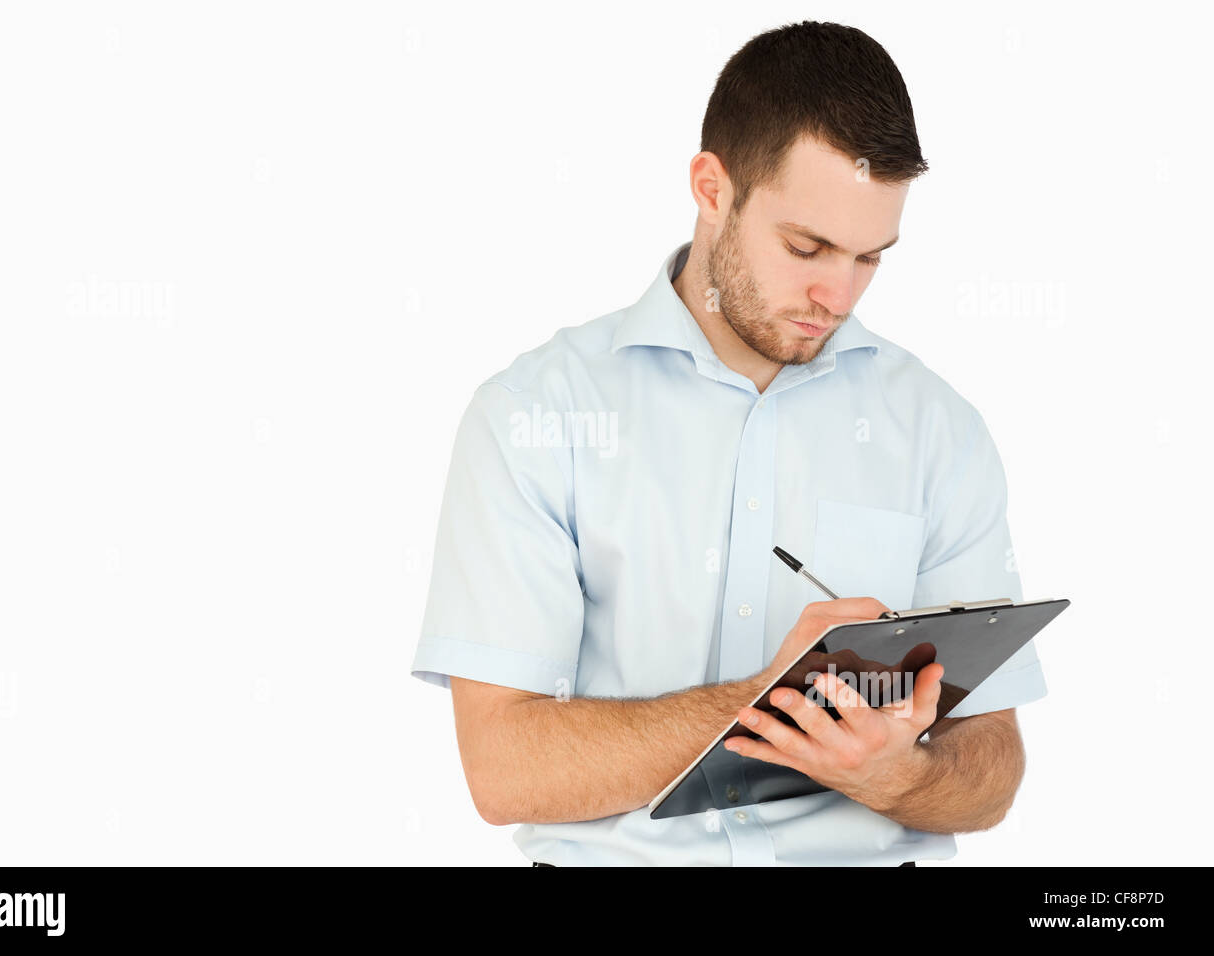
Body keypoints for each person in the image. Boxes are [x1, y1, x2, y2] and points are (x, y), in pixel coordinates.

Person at [409, 20, 1047, 866]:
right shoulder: (536, 414)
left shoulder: (939, 430)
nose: (838, 295)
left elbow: (991, 766)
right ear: (712, 188)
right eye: (807, 247)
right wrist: (770, 703)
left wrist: (897, 776)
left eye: (870, 258)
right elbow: (504, 770)